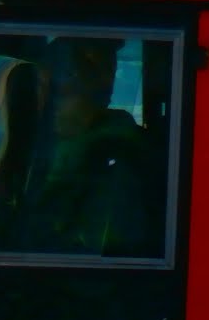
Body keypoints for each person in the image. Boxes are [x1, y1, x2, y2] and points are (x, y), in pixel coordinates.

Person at [24, 37, 160, 257]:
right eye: (38, 87)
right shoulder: (39, 146)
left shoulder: (115, 161)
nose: (43, 103)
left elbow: (98, 272)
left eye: (61, 93)